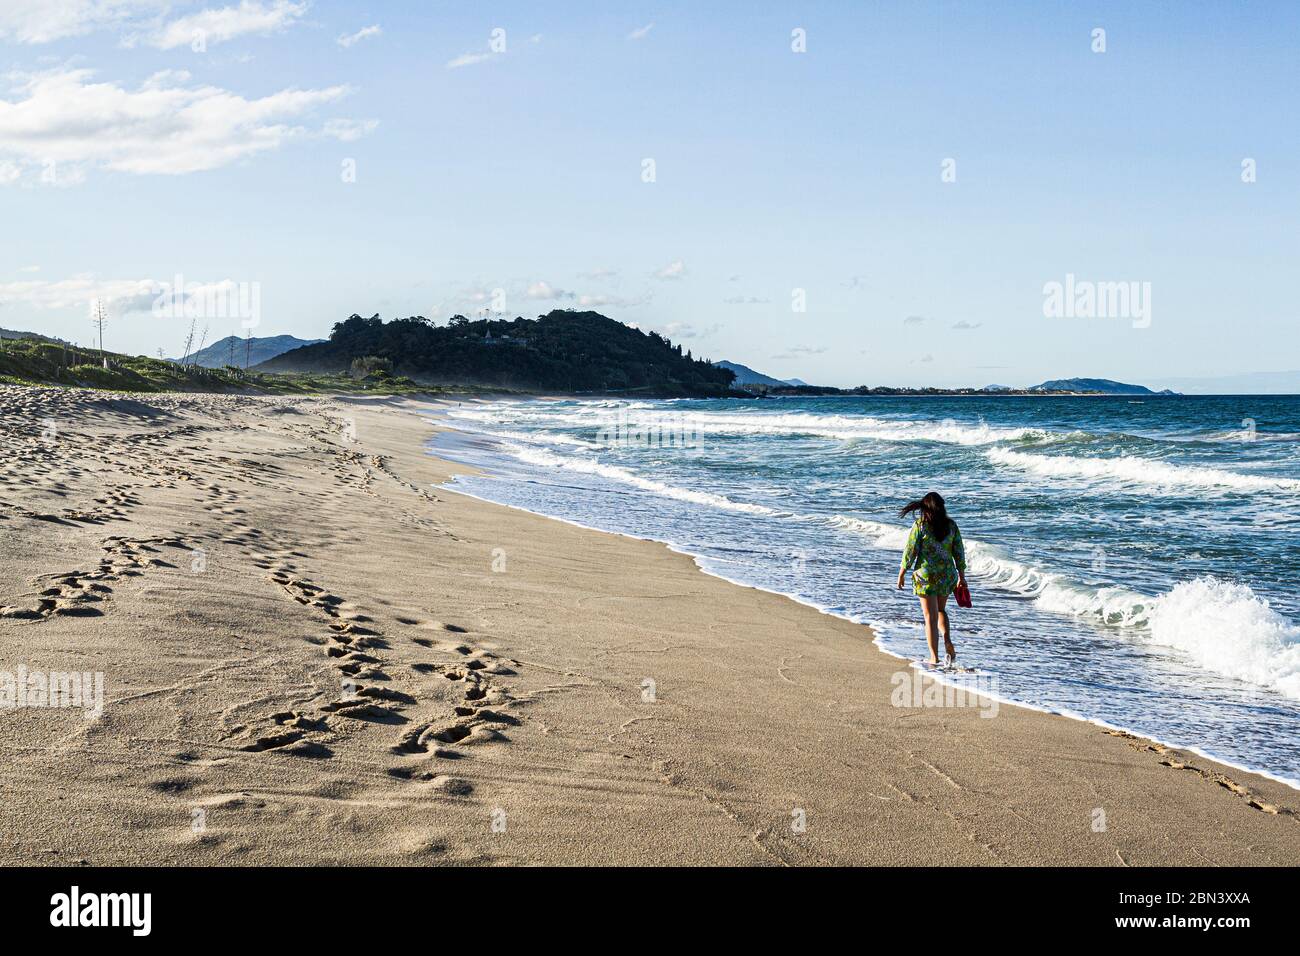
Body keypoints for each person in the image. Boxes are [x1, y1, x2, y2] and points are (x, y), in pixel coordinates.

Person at [895, 492, 967, 666]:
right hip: (947, 575)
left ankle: (934, 657)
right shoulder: (951, 526)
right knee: (940, 611)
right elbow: (959, 552)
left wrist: (902, 572)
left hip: (925, 576)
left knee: (930, 617)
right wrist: (962, 577)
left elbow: (910, 550)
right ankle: (947, 640)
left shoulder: (920, 526)